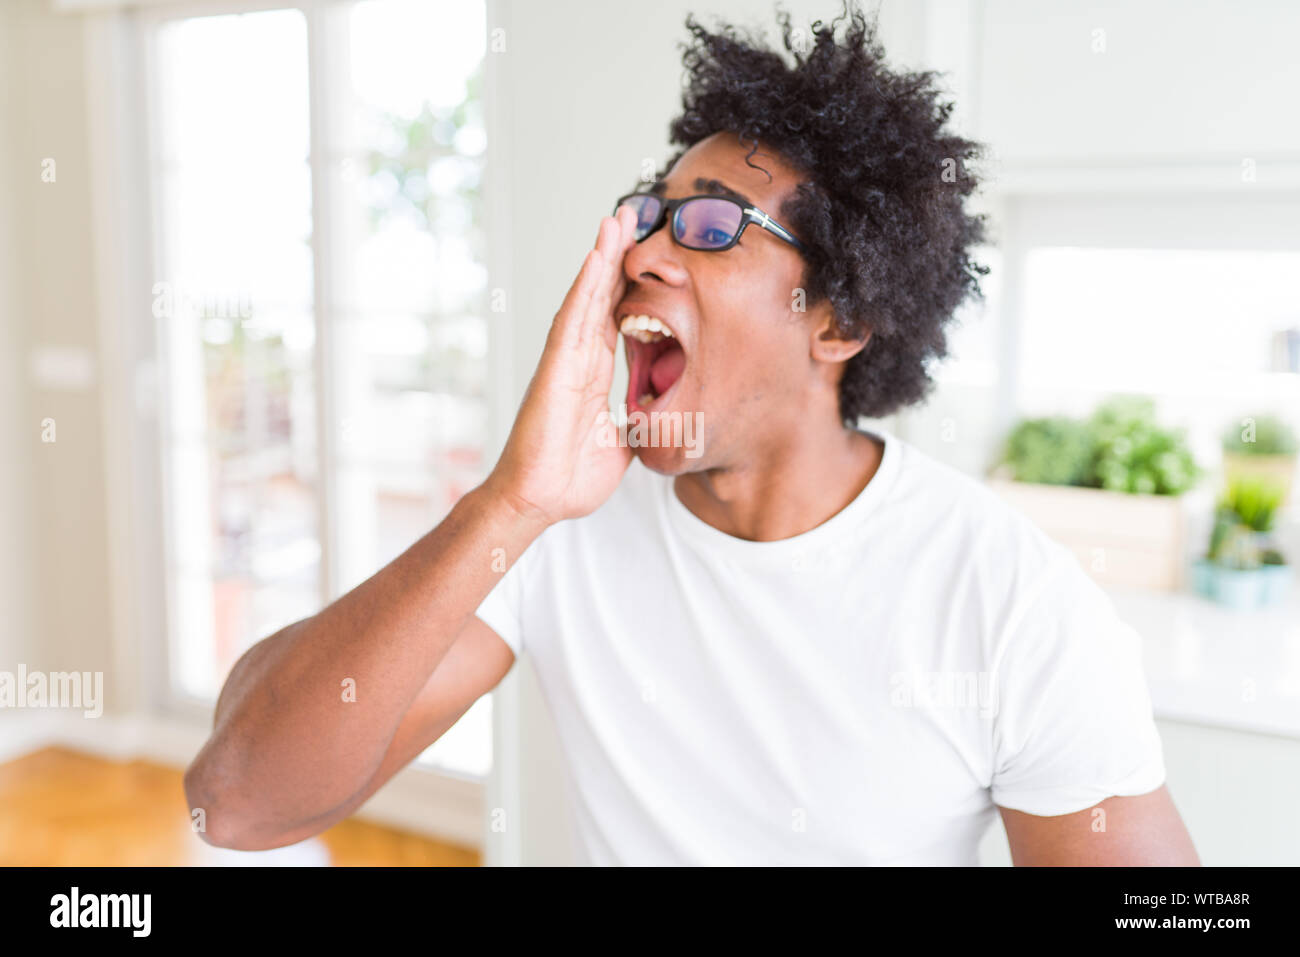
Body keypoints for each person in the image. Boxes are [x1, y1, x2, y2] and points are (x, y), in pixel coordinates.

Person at [185, 1, 1198, 866]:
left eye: (711, 227)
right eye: (648, 217)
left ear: (840, 320)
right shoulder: (555, 530)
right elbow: (235, 801)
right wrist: (512, 500)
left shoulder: (1005, 596)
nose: (645, 256)